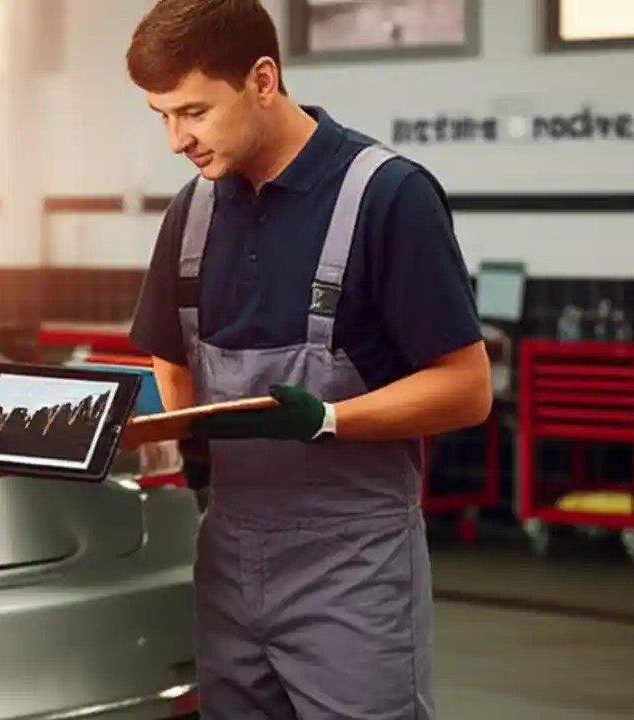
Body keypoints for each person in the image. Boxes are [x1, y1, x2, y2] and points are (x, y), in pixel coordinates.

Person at [123, 1, 492, 718]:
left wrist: (326, 417)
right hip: (227, 552)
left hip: (352, 567)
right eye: (160, 115)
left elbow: (467, 388)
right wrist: (150, 437)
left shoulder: (387, 196)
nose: (177, 140)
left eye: (193, 111)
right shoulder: (192, 213)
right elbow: (171, 363)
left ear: (263, 79)